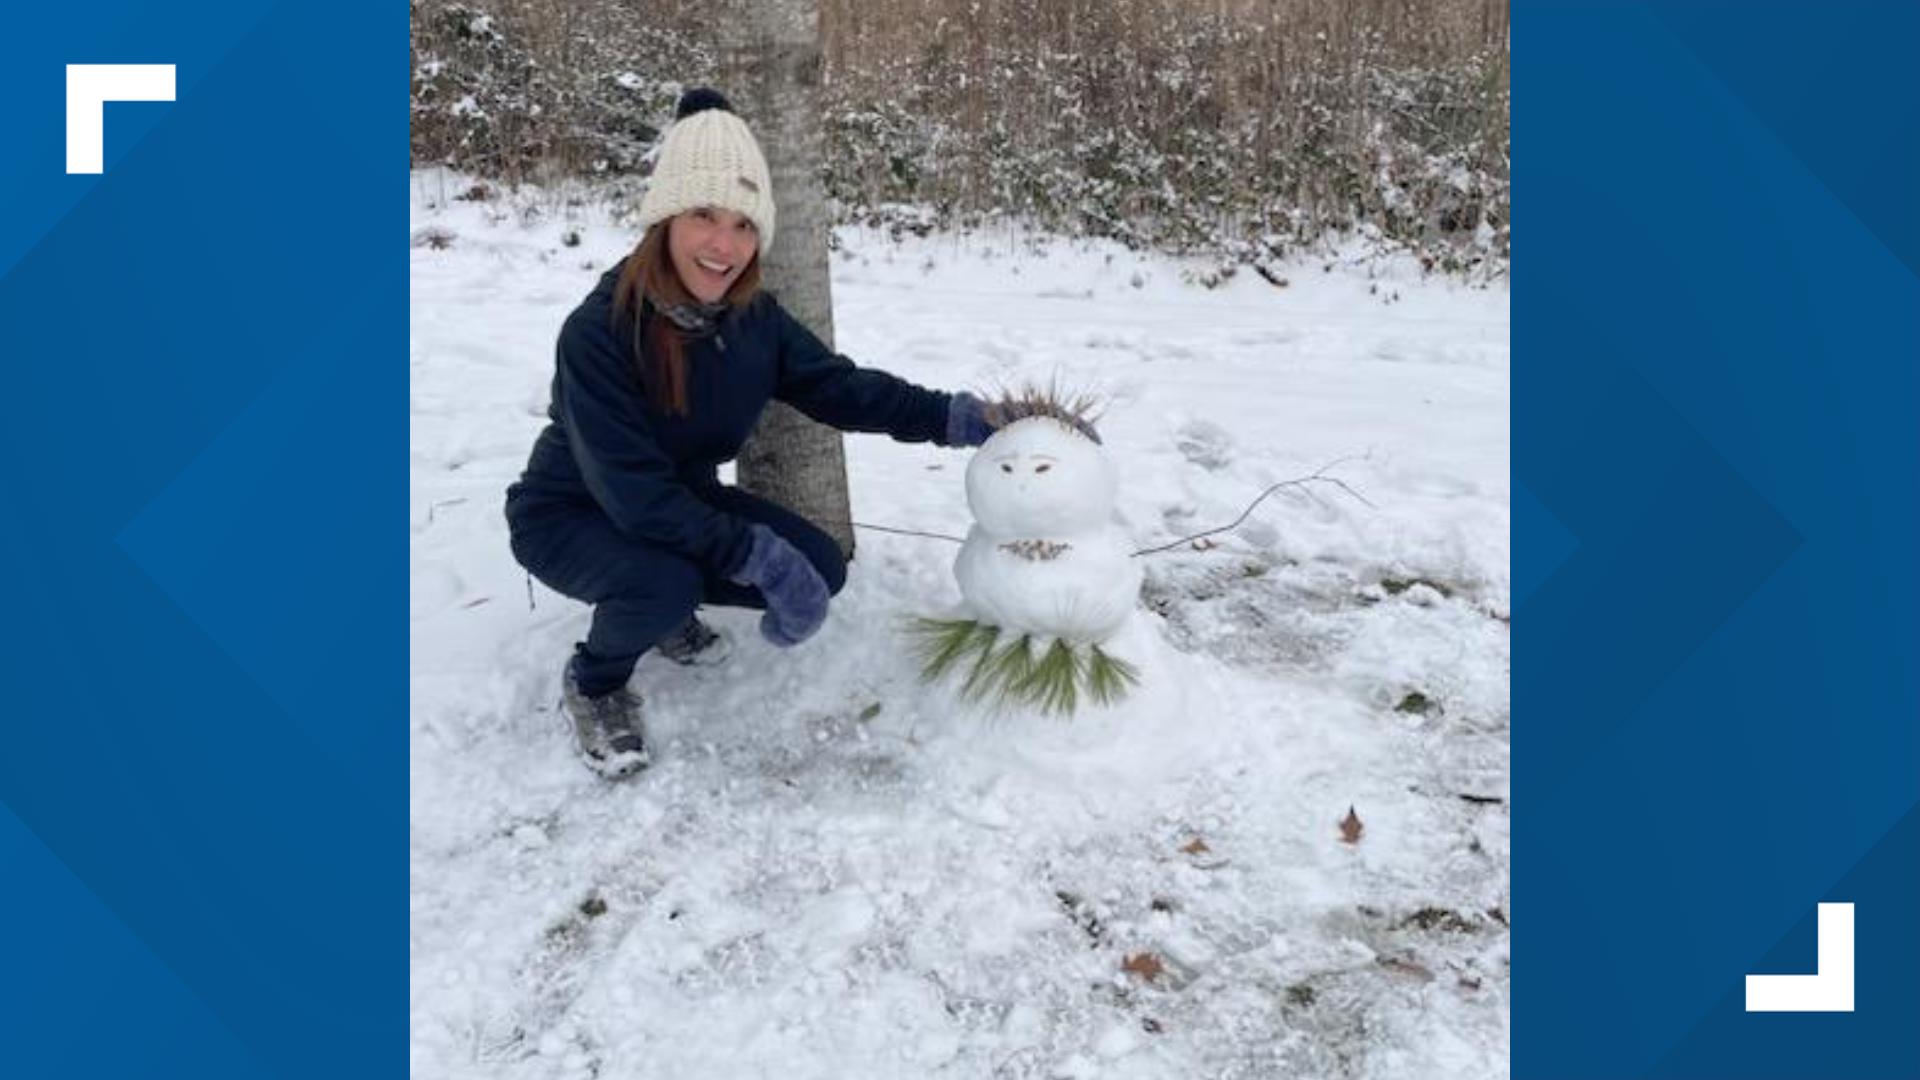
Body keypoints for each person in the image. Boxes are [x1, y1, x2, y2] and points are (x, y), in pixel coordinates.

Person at [505, 88, 999, 780]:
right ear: (665, 218)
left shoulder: (752, 319)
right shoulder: (598, 333)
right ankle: (597, 681)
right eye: (704, 215)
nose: (724, 244)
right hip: (568, 515)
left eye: (743, 224)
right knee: (665, 581)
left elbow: (840, 388)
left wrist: (962, 419)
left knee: (821, 567)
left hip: (675, 503)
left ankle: (658, 603)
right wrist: (754, 556)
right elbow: (633, 495)